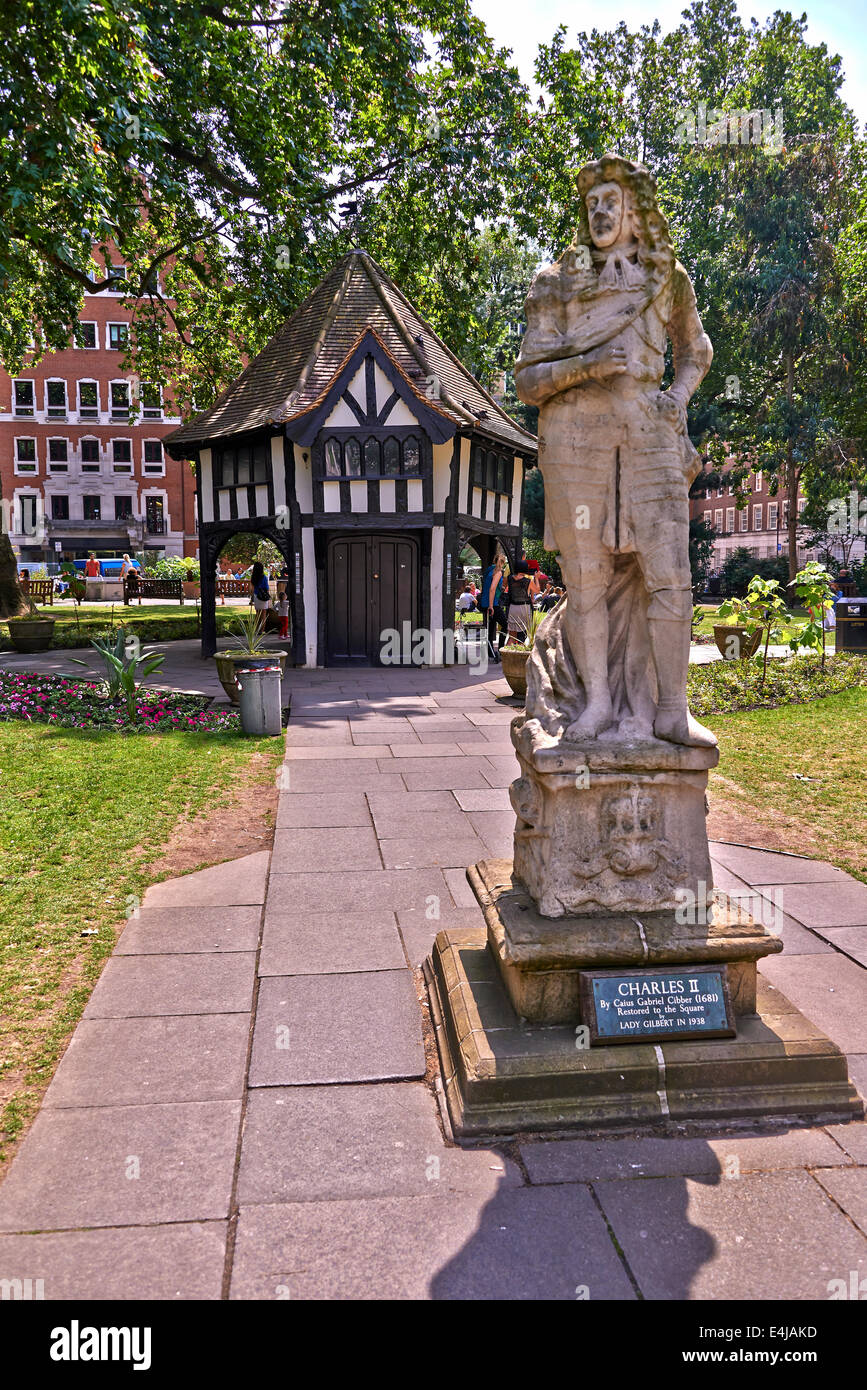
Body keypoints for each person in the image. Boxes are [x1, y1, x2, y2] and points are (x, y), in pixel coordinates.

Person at [503, 559, 540, 643]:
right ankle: (519, 654)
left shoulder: (509, 578)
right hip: (524, 608)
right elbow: (537, 590)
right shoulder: (528, 581)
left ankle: (506, 654)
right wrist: (536, 578)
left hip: (512, 608)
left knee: (512, 636)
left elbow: (503, 586)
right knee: (522, 636)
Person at [481, 550, 507, 662]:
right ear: (503, 563)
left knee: (491, 626)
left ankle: (490, 652)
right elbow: (492, 589)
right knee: (505, 625)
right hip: (492, 604)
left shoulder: (489, 570)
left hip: (484, 601)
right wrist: (491, 606)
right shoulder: (499, 572)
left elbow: (487, 587)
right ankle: (501, 651)